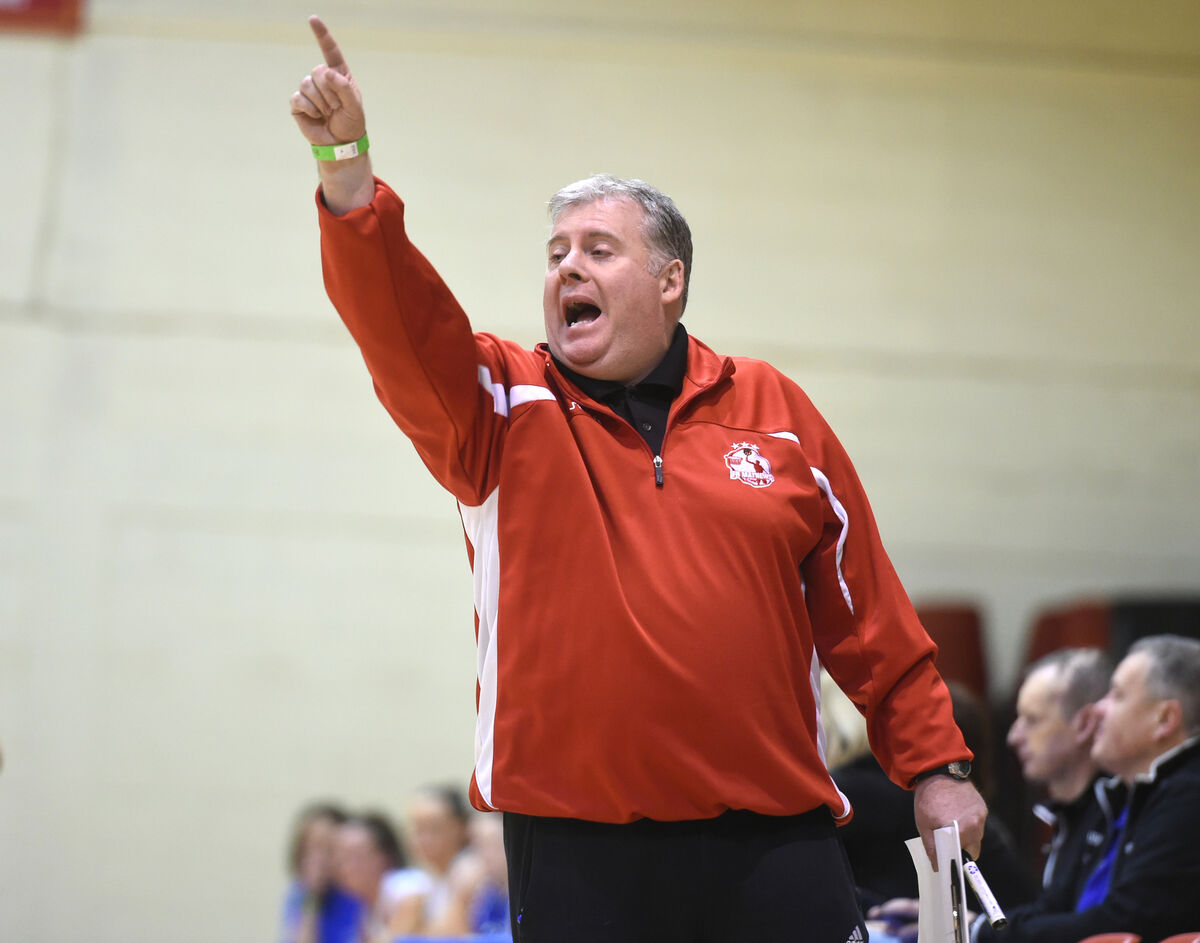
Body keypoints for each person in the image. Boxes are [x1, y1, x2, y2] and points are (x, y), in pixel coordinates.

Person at [291, 16, 986, 942]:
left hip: (773, 838)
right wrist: (347, 171)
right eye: (555, 254)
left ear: (670, 281)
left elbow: (867, 614)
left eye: (596, 249)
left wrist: (938, 765)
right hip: (581, 848)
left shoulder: (774, 408)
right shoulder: (498, 403)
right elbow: (399, 329)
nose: (566, 265)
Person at [972, 634, 1200, 942]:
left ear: (1165, 719)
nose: (1099, 710)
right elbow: (1057, 909)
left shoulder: (1188, 798)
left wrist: (977, 933)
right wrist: (973, 926)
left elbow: (1122, 924)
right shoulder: (1126, 795)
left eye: (1116, 696)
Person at [1006, 647, 1110, 898]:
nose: (1013, 737)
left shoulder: (1117, 815)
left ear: (1085, 724)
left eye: (1032, 720)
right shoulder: (1068, 816)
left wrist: (982, 933)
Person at [333, 811, 430, 943]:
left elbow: (414, 902)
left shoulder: (401, 882)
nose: (343, 865)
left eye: (354, 855)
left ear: (384, 856)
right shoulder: (366, 909)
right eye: (340, 855)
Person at [277, 802, 362, 943]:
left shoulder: (358, 893)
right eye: (310, 848)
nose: (318, 859)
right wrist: (311, 900)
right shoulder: (300, 893)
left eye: (327, 848)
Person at [404, 785, 476, 933]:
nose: (423, 839)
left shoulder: (469, 869)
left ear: (461, 827)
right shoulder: (431, 879)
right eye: (418, 829)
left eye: (433, 828)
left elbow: (450, 935)